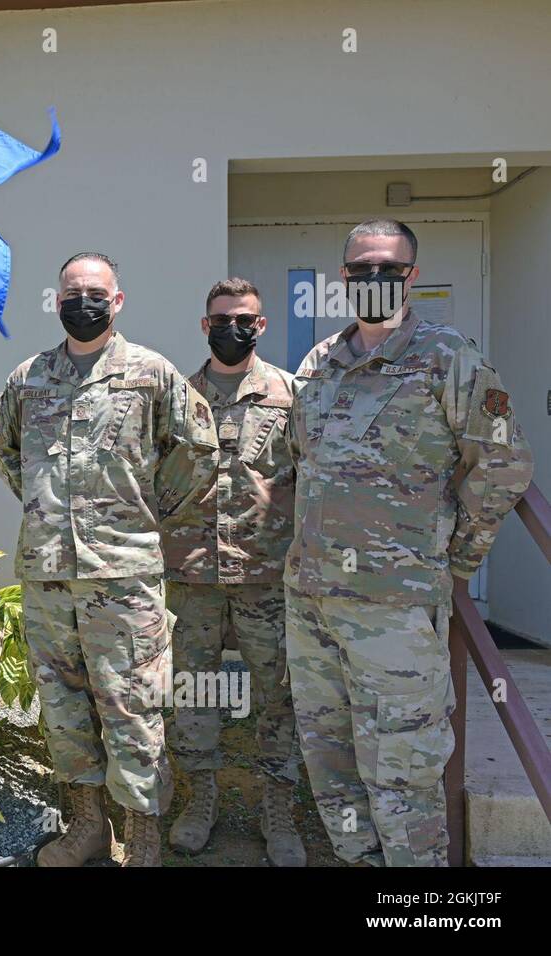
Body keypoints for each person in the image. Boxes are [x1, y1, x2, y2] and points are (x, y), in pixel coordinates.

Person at [286, 218, 533, 866]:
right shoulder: (319, 363)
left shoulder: (449, 359)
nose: (374, 278)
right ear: (344, 278)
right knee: (330, 762)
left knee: (403, 774)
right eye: (361, 267)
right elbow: (301, 461)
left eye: (388, 268)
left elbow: (503, 465)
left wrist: (458, 560)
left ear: (411, 277)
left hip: (394, 608)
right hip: (311, 604)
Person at [0, 252, 218, 866]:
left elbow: (196, 452)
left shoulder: (152, 374)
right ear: (56, 300)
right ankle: (87, 827)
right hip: (48, 577)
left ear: (117, 301)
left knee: (133, 707)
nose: (82, 301)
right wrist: (48, 510)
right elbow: (6, 450)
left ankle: (144, 840)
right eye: (71, 291)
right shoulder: (28, 378)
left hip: (124, 576)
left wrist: (142, 511)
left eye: (95, 292)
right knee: (62, 709)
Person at [162, 277, 304, 865]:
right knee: (193, 693)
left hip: (265, 576)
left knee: (278, 695)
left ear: (261, 325)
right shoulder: (176, 396)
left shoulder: (290, 395)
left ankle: (280, 813)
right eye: (221, 318)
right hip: (192, 576)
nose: (232, 328)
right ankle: (200, 802)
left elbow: (311, 480)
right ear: (204, 325)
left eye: (243, 318)